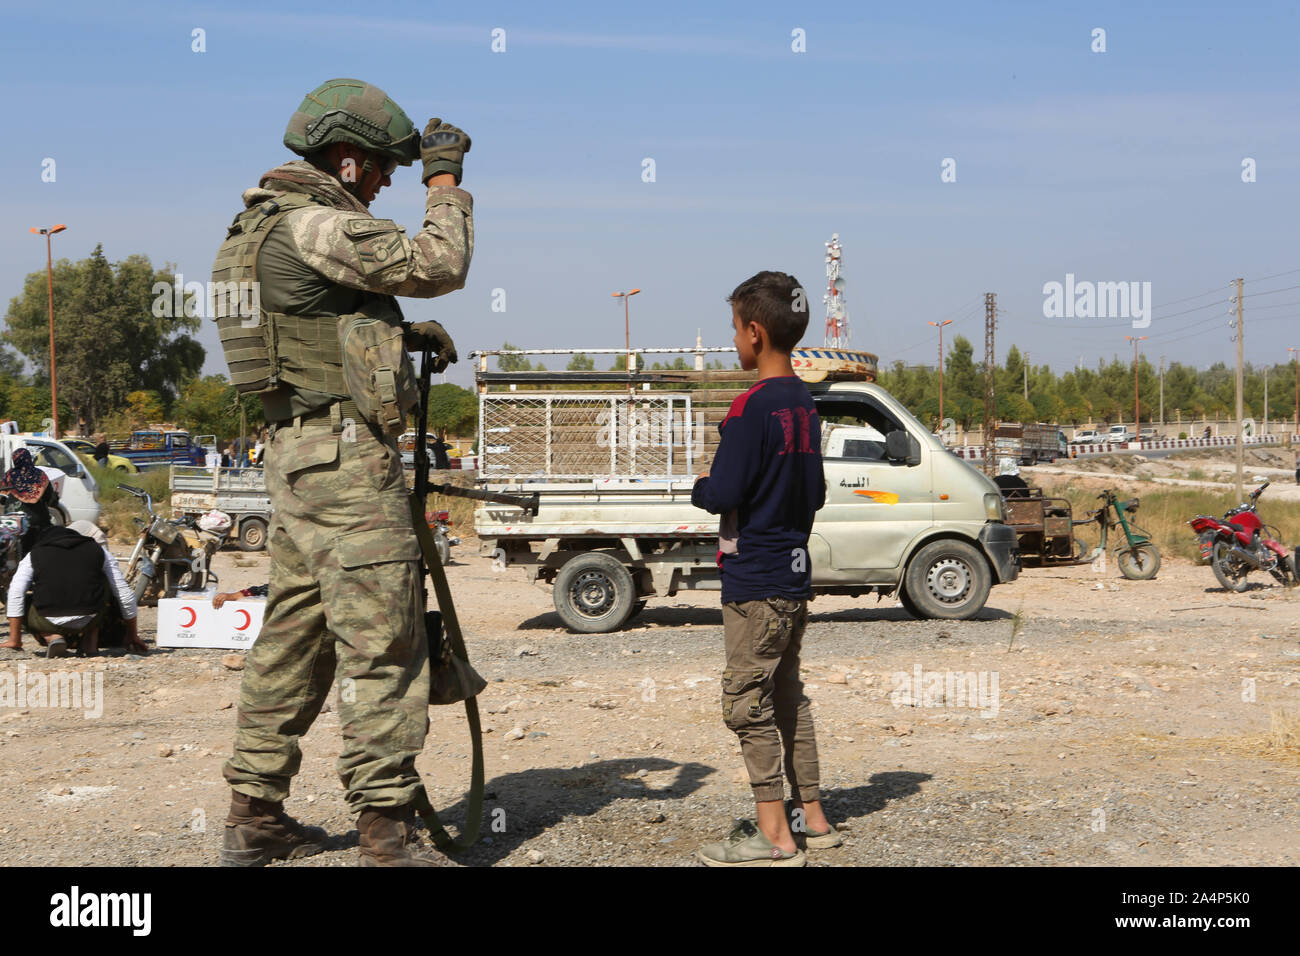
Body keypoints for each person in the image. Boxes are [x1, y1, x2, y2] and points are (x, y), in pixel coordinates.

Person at [213, 78, 472, 867]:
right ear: (350, 159)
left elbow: (316, 329)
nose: (390, 180)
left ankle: (254, 816)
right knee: (383, 640)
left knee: (295, 638)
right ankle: (387, 833)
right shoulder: (316, 222)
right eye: (385, 168)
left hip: (295, 459)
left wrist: (395, 337)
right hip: (346, 463)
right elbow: (440, 261)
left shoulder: (249, 231)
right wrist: (445, 182)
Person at [690, 271, 835, 867]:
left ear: (755, 332)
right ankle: (815, 819)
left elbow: (724, 489)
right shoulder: (804, 401)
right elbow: (817, 493)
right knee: (786, 698)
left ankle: (776, 836)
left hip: (754, 579)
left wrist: (699, 487)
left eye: (734, 331)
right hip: (794, 576)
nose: (733, 342)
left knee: (745, 702)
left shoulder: (751, 406)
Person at [1, 520, 143, 657]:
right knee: (102, 583)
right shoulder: (98, 550)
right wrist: (132, 634)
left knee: (23, 600)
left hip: (47, 620)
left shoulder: (34, 554)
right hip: (90, 617)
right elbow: (124, 594)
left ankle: (52, 636)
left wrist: (15, 639)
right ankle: (90, 642)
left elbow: (15, 593)